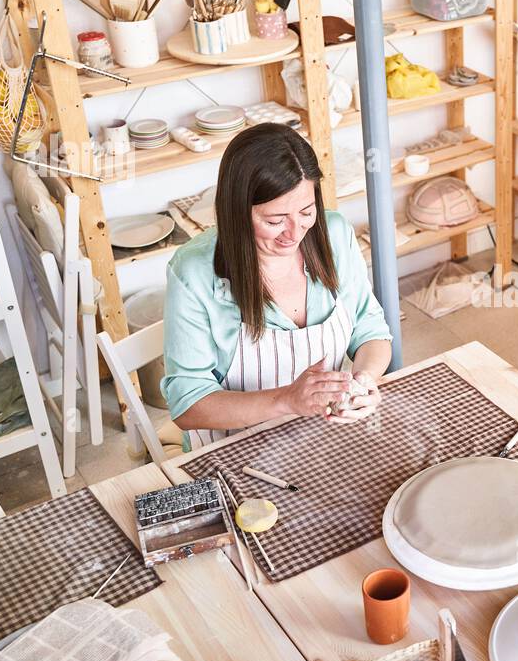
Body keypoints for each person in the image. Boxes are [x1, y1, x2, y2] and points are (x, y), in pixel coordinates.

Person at [163, 123, 392, 450]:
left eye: (306, 211)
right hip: (233, 451)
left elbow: (369, 329)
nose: (294, 232)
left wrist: (364, 380)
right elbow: (187, 404)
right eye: (274, 221)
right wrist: (286, 400)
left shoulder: (336, 234)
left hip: (320, 436)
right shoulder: (194, 272)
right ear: (237, 212)